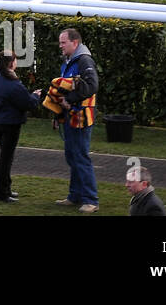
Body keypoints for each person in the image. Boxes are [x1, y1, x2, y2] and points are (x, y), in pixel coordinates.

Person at [0, 50, 42, 203]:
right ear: (12, 63)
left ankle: (5, 189)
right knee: (6, 159)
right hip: (11, 124)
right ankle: (1, 193)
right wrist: (35, 95)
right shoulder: (13, 83)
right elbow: (28, 104)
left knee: (5, 156)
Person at [52, 28, 100, 213]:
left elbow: (92, 86)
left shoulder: (84, 61)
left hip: (81, 118)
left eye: (63, 42)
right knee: (72, 156)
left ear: (75, 43)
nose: (60, 46)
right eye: (60, 42)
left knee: (80, 157)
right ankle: (75, 196)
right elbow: (63, 89)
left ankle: (91, 200)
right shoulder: (70, 61)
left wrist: (70, 100)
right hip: (70, 117)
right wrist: (58, 115)